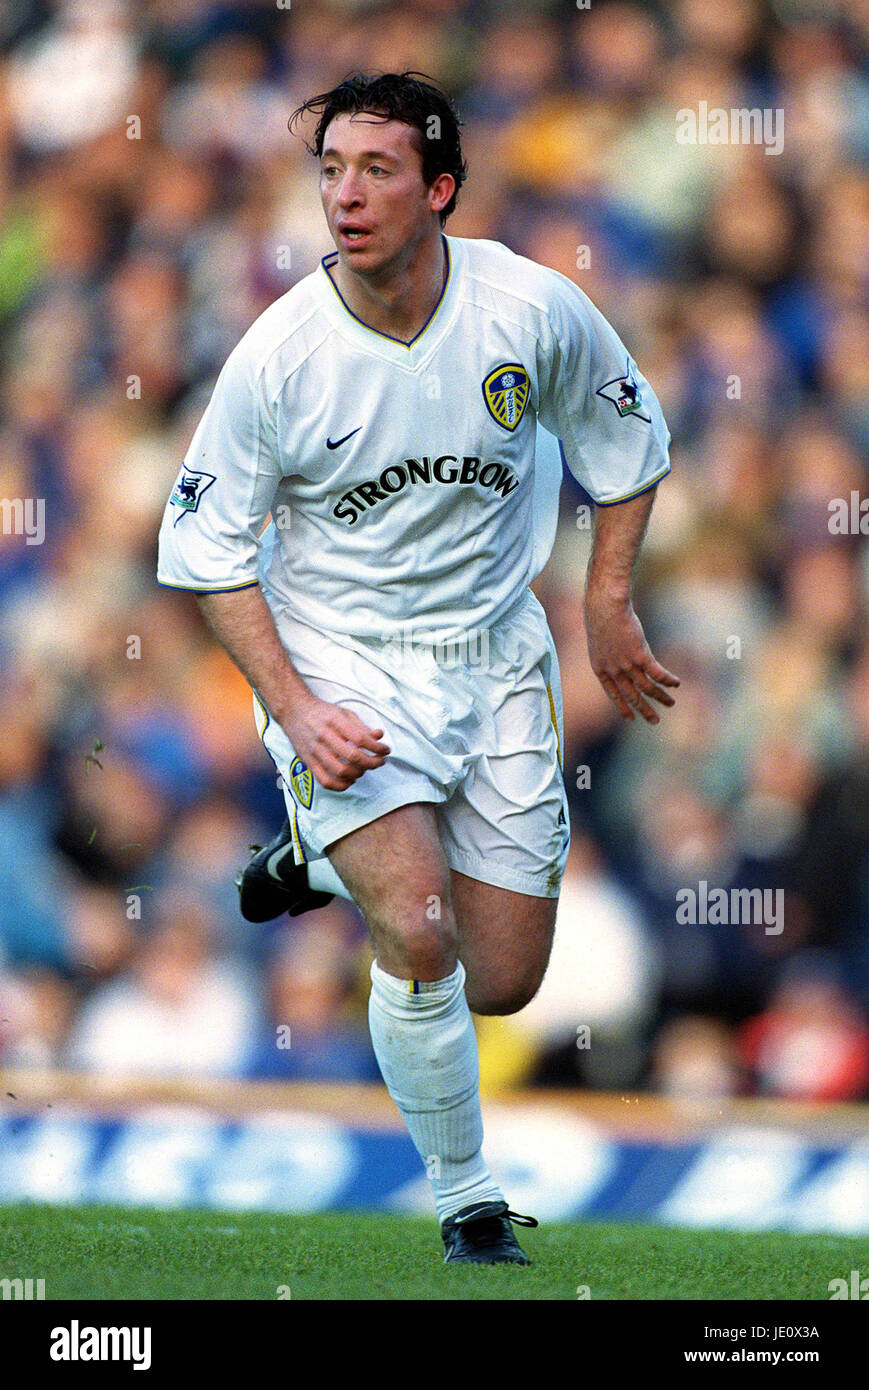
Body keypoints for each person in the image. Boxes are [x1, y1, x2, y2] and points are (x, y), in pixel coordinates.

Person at [157, 71, 678, 1265]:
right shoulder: (278, 354)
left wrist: (605, 605)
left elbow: (626, 441)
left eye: (376, 169)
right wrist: (293, 704)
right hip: (342, 663)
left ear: (439, 189)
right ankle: (467, 1198)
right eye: (331, 169)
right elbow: (202, 551)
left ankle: (313, 861)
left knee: (500, 978)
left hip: (496, 661)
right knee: (423, 926)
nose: (345, 194)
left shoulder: (530, 311)